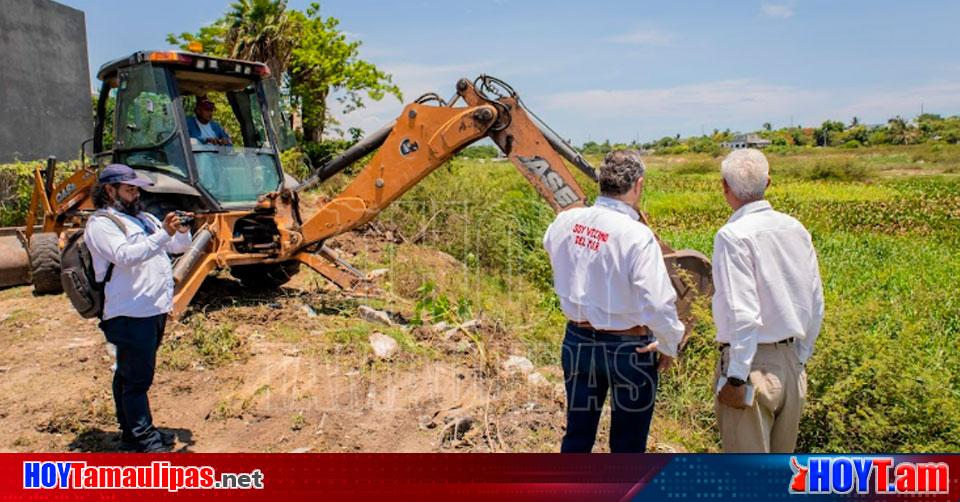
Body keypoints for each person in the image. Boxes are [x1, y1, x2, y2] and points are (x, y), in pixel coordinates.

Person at [543, 149, 685, 453]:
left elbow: (551, 249)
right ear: (638, 185)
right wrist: (669, 342)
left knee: (577, 437)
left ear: (601, 182)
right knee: (627, 447)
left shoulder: (565, 221)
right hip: (628, 349)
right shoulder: (637, 236)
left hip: (577, 340)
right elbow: (658, 304)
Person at [712, 148, 824, 453]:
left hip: (750, 369)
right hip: (791, 365)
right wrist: (799, 358)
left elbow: (742, 313)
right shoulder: (795, 229)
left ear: (724, 186)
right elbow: (816, 302)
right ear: (768, 182)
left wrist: (736, 377)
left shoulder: (732, 236)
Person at [84, 163, 193, 452]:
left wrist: (180, 230)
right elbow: (124, 256)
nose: (136, 194)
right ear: (110, 190)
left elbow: (177, 248)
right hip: (128, 312)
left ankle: (131, 433)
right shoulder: (101, 224)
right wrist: (163, 234)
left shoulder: (143, 218)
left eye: (137, 189)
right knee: (137, 380)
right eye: (130, 189)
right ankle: (145, 441)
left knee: (128, 373)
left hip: (153, 309)